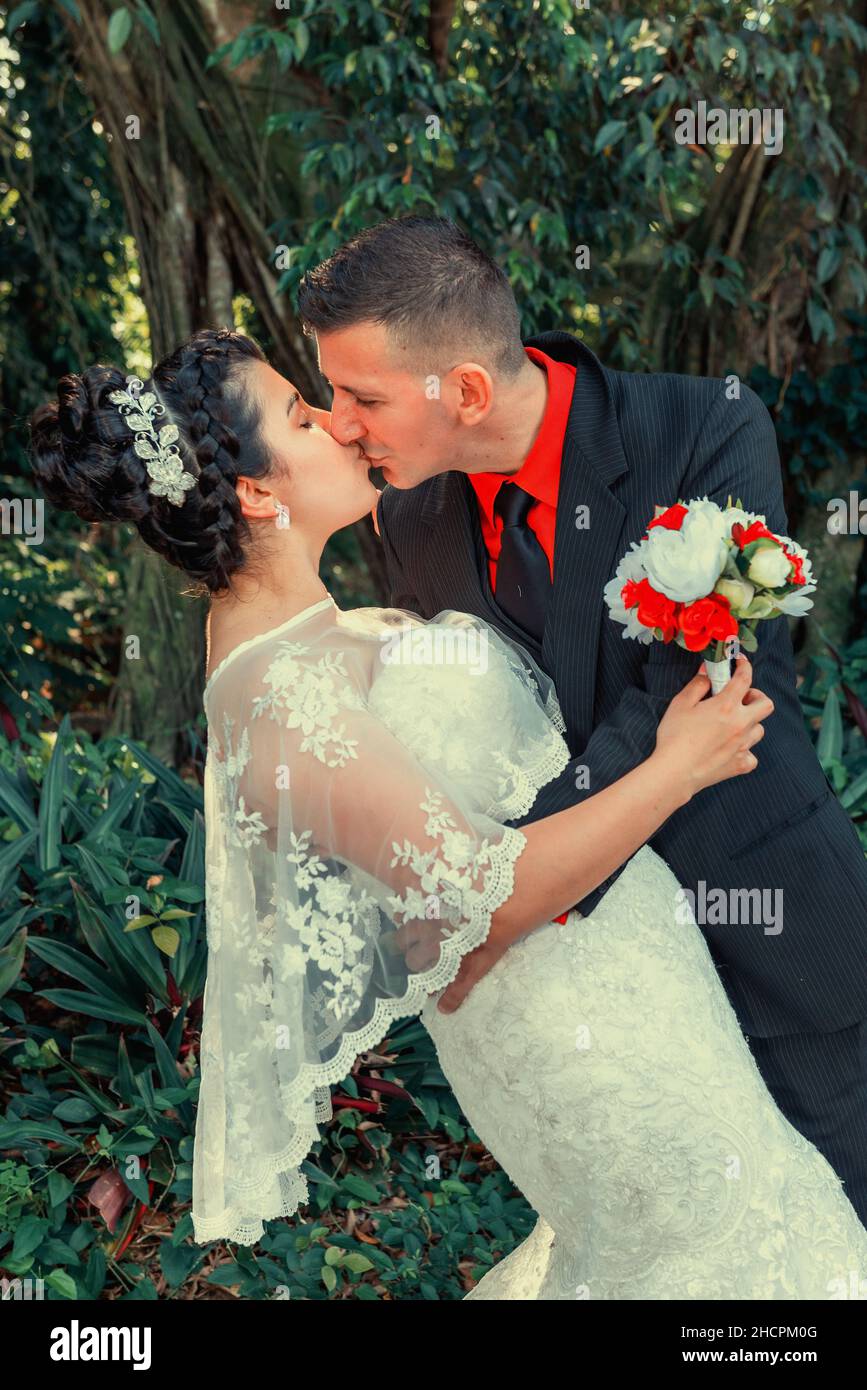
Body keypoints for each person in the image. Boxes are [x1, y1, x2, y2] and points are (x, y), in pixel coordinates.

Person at [28, 327, 866, 1298]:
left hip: (640, 989)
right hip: (584, 1036)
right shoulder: (274, 694)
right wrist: (675, 768)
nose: (340, 426)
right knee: (728, 1251)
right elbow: (479, 897)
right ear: (257, 492)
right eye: (303, 416)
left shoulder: (308, 631)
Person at [297, 216, 867, 1249]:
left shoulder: (704, 430)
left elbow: (727, 691)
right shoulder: (411, 517)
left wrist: (500, 892)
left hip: (769, 926)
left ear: (465, 392)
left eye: (362, 397)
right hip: (613, 997)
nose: (341, 425)